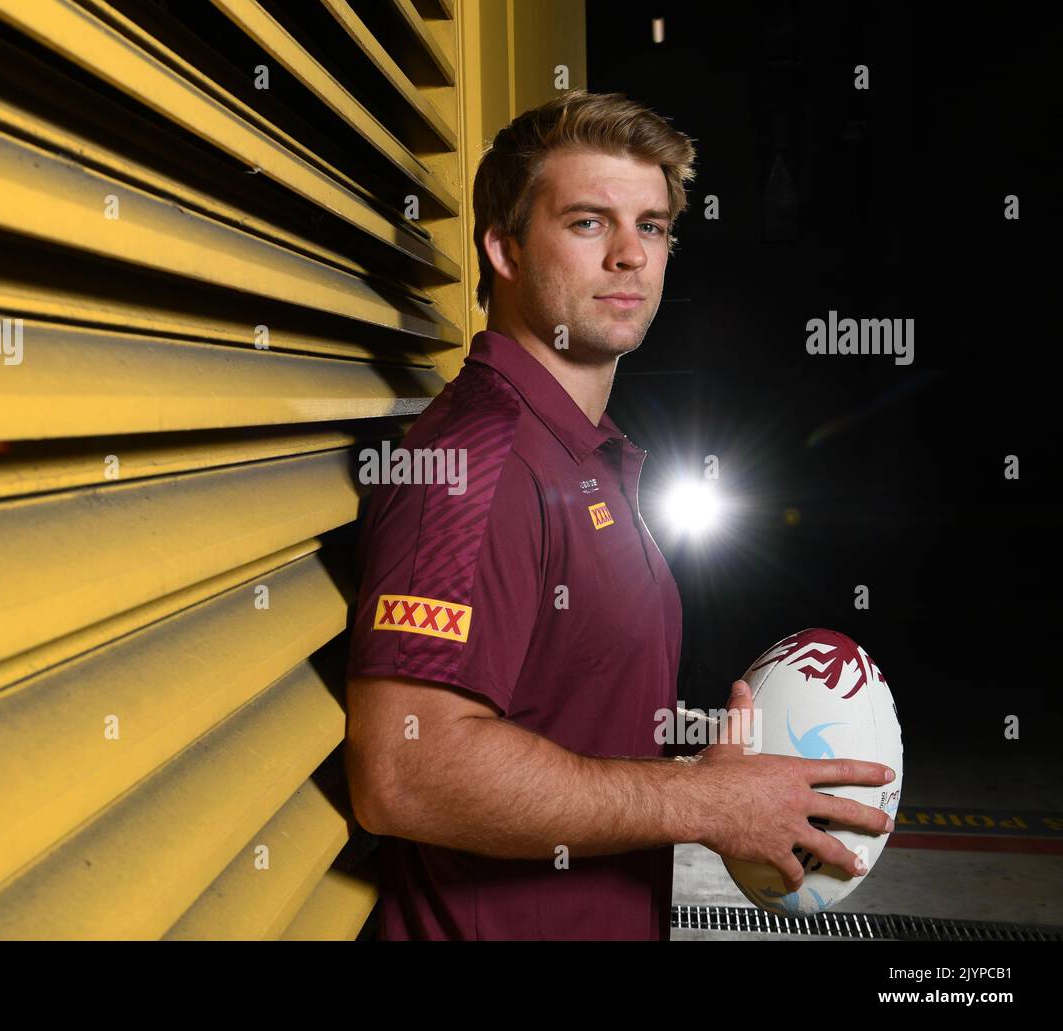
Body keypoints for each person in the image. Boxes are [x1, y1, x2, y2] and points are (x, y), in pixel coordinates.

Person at [343, 89, 895, 940]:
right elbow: (405, 768)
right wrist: (698, 799)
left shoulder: (588, 451)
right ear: (504, 247)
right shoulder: (472, 464)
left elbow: (565, 723)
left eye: (654, 226)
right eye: (589, 223)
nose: (631, 256)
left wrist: (708, 782)